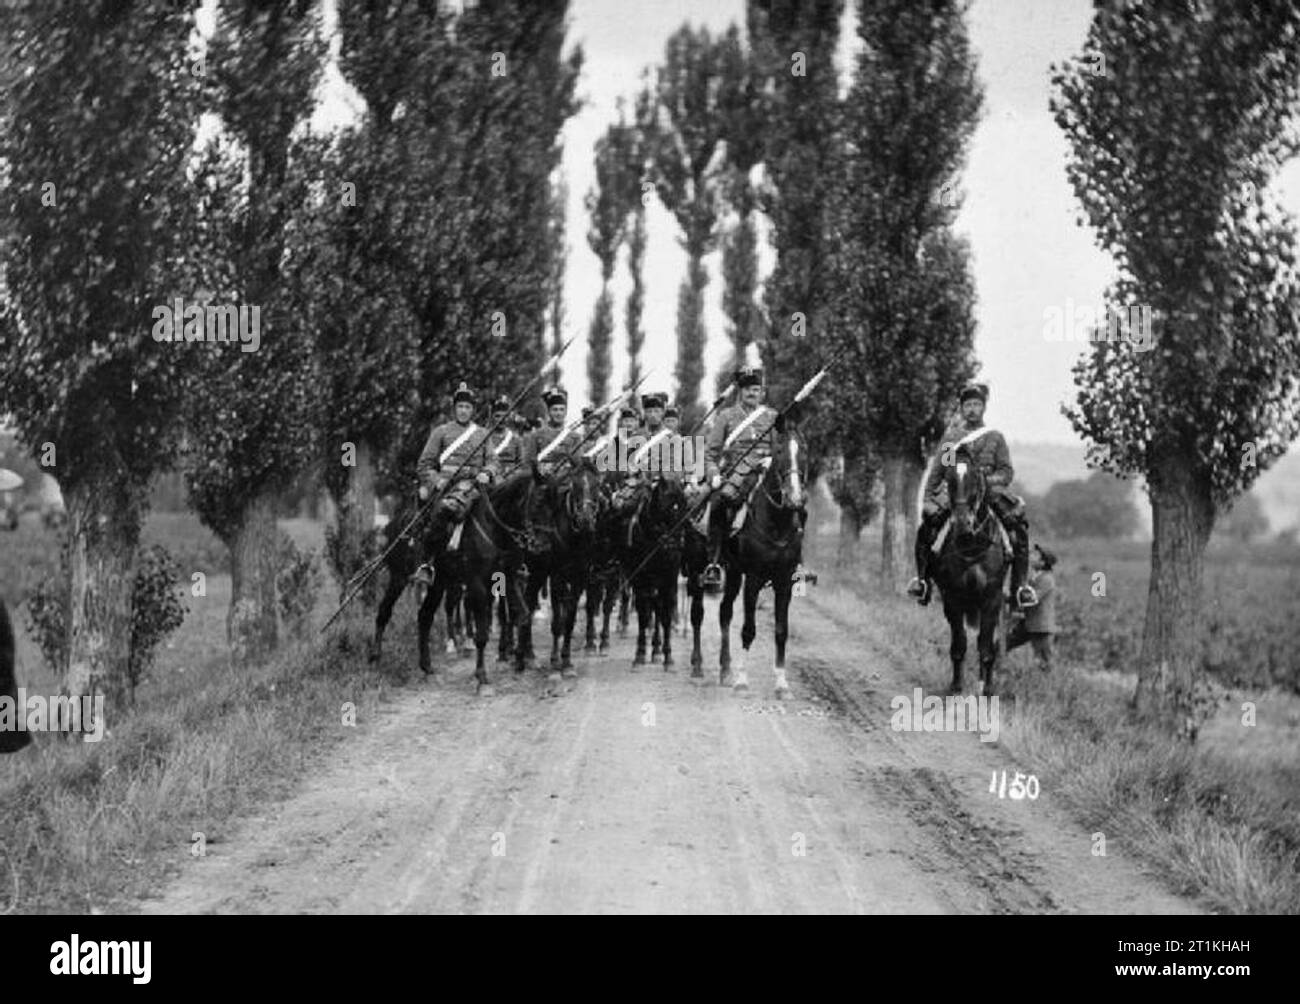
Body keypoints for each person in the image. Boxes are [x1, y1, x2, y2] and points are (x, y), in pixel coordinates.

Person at [907, 382, 1037, 608]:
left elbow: (1006, 472)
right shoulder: (952, 439)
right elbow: (939, 472)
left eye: (977, 404)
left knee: (1018, 528)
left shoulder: (995, 438)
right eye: (968, 405)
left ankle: (1020, 588)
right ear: (962, 408)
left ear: (984, 408)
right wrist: (928, 500)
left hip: (989, 492)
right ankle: (923, 582)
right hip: (957, 490)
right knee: (927, 528)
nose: (972, 409)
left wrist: (987, 482)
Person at [699, 359, 778, 588]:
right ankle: (714, 563)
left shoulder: (772, 416)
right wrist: (713, 473)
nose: (753, 393)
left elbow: (779, 449)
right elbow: (710, 453)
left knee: (794, 504)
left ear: (762, 392)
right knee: (718, 503)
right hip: (735, 473)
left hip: (765, 471)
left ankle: (791, 563)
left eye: (757, 389)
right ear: (741, 392)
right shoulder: (726, 416)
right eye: (748, 389)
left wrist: (772, 459)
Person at [412, 383, 498, 584]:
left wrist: (487, 472)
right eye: (460, 406)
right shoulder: (441, 432)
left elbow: (494, 461)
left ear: (473, 410)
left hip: (475, 486)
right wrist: (437, 480)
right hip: (448, 487)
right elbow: (424, 464)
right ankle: (429, 562)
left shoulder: (483, 434)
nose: (463, 411)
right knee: (445, 510)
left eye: (467, 407)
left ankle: (499, 563)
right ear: (454, 409)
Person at [1006, 545, 1057, 670]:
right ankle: (998, 669)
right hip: (1029, 623)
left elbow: (1030, 598)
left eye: (1035, 556)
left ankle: (1048, 686)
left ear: (1042, 562)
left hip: (1041, 627)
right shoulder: (1035, 577)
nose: (1031, 558)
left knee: (1044, 660)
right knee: (1003, 645)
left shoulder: (1047, 579)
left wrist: (1011, 597)